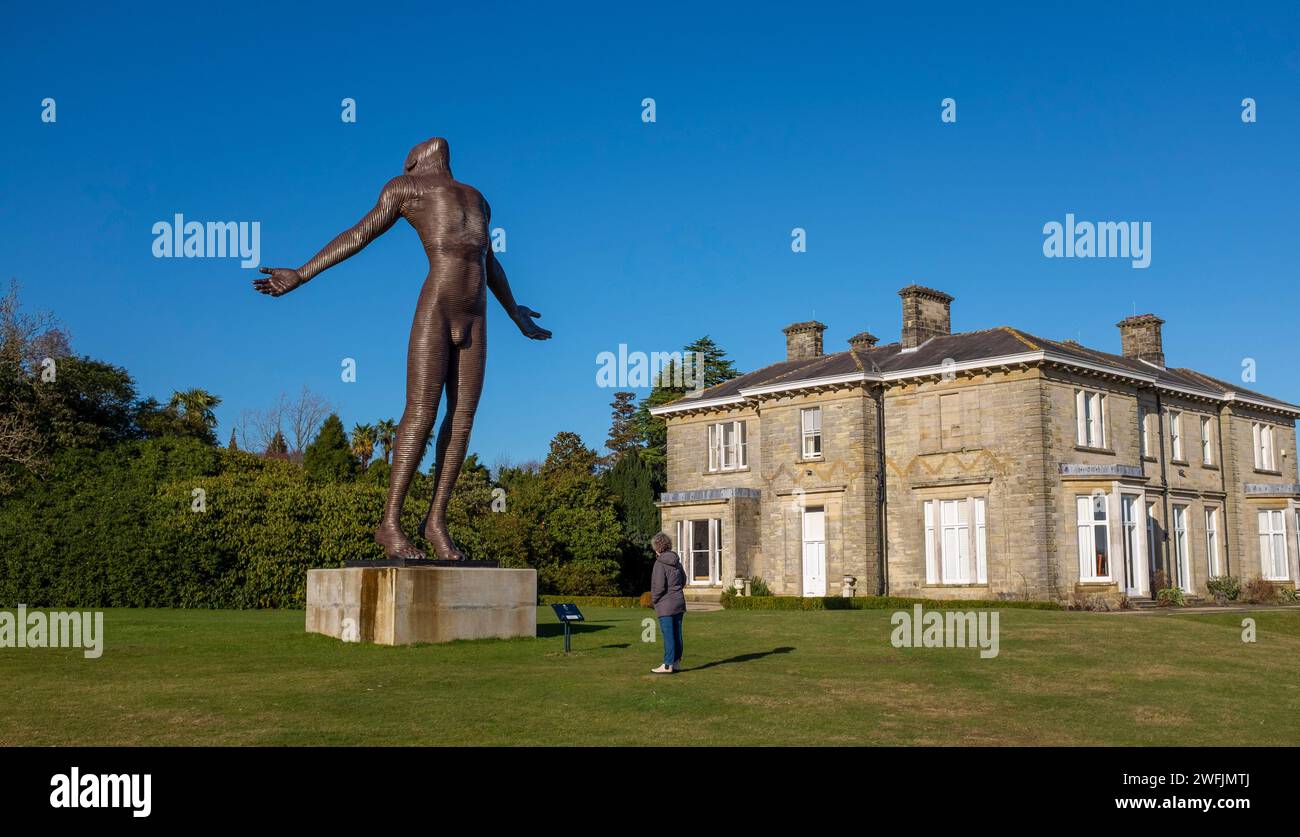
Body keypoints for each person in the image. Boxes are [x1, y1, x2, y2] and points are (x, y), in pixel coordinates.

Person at [649, 532, 687, 674]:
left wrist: (654, 600)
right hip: (678, 601)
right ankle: (676, 662)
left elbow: (659, 587)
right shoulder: (677, 561)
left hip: (665, 604)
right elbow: (684, 580)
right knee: (677, 633)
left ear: (657, 547)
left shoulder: (659, 563)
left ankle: (667, 664)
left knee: (668, 634)